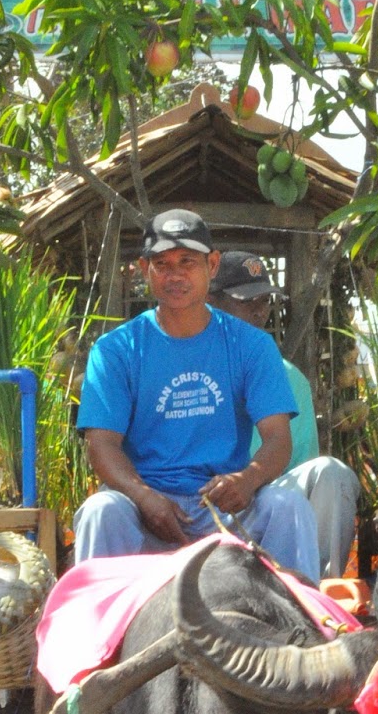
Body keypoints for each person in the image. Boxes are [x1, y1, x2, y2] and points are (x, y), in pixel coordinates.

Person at [73, 209, 320, 580]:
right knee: (101, 511)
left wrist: (247, 481)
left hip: (227, 509)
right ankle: (92, 635)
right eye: (162, 263)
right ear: (144, 269)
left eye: (188, 261)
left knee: (287, 506)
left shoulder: (251, 345)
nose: (175, 274)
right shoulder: (115, 349)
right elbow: (102, 445)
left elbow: (277, 439)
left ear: (213, 264)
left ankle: (308, 624)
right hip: (146, 509)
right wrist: (144, 497)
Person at [208, 250, 360, 579]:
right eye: (245, 301)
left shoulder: (290, 378)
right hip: (202, 500)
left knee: (330, 473)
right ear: (211, 301)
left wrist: (252, 483)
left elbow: (299, 466)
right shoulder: (185, 361)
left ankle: (318, 595)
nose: (259, 312)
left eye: (264, 301)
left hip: (265, 501)